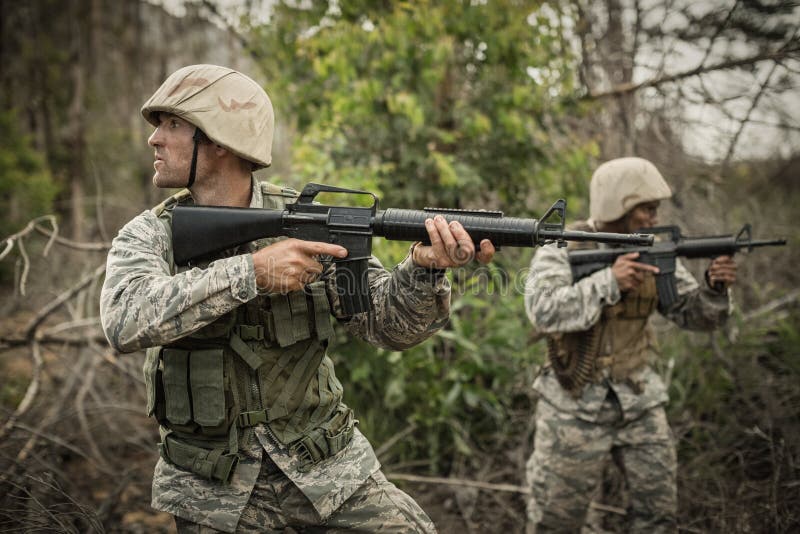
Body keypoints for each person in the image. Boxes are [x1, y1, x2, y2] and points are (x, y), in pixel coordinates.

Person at [99, 64, 495, 533]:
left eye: (173, 125)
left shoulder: (309, 221)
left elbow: (387, 326)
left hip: (326, 466)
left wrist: (424, 269)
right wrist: (252, 273)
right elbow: (123, 319)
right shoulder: (151, 234)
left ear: (220, 139)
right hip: (213, 489)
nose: (155, 139)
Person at [522, 157, 737, 533]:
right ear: (617, 205)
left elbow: (693, 315)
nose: (653, 219)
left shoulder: (652, 250)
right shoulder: (563, 247)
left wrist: (714, 291)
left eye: (656, 210)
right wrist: (609, 282)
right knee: (556, 522)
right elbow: (542, 311)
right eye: (646, 209)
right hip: (572, 408)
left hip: (639, 400)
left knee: (658, 519)